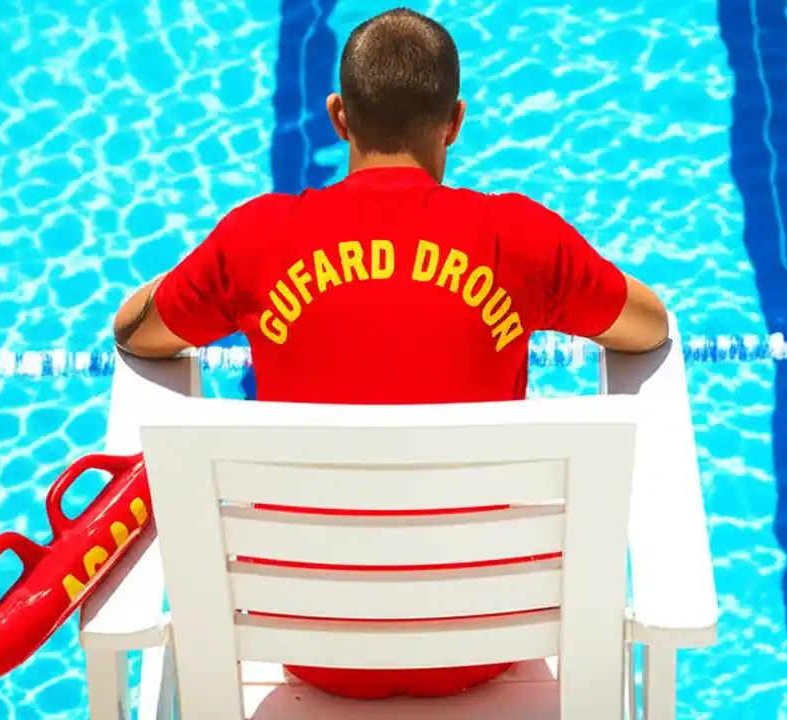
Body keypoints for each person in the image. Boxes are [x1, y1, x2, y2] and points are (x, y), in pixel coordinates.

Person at [112, 6, 668, 700]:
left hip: (306, 640)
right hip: (487, 637)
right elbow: (648, 324)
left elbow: (137, 332)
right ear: (455, 121)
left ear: (339, 116)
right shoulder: (521, 239)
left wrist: (216, 273)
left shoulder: (256, 238)